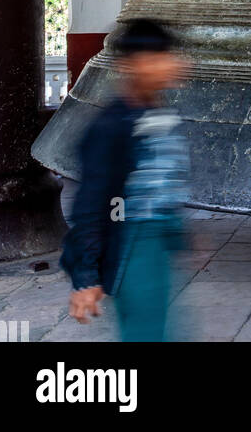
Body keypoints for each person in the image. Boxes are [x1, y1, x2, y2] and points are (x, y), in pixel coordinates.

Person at [61, 19, 189, 341]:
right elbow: (90, 202)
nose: (172, 63)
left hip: (157, 244)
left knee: (159, 330)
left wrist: (177, 234)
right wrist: (86, 276)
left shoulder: (158, 113)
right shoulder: (110, 126)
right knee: (146, 334)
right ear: (137, 65)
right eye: (160, 56)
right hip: (133, 243)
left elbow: (162, 183)